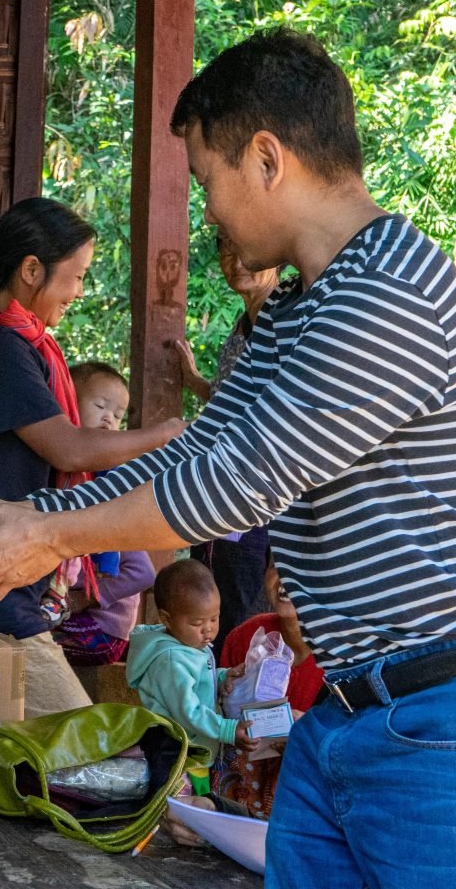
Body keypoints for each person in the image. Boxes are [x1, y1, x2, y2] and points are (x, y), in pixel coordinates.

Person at [0, 30, 456, 887]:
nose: (207, 207)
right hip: (359, 704)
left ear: (265, 158)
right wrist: (37, 516)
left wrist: (47, 540)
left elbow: (232, 487)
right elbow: (207, 450)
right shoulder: (293, 312)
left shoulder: (389, 289)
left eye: (208, 178)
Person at [0, 197, 183, 717]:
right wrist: (164, 435)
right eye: (75, 276)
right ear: (31, 270)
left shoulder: (22, 343)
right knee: (80, 747)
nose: (79, 291)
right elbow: (70, 445)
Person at [172, 235, 282, 652]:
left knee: (242, 619)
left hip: (261, 504)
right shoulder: (245, 324)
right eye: (225, 252)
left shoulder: (284, 324)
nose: (235, 263)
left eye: (246, 252)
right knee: (211, 609)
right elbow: (235, 403)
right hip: (222, 498)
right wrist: (196, 381)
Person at [51, 362, 155, 666]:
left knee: (30, 640)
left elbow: (142, 572)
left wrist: (82, 599)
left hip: (103, 627)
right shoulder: (69, 480)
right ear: (67, 404)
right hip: (66, 610)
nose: (109, 418)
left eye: (118, 415)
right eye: (100, 406)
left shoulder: (113, 489)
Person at [210, 557, 326, 820]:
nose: (285, 574)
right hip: (241, 788)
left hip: (307, 790)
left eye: (302, 563)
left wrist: (309, 727)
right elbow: (213, 718)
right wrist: (223, 690)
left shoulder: (342, 654)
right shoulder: (246, 637)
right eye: (277, 563)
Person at [126, 559, 257, 772]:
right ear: (167, 619)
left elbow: (197, 681)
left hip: (195, 751)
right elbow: (188, 710)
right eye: (197, 623)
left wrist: (222, 677)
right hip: (177, 756)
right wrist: (227, 729)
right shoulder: (169, 661)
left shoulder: (190, 643)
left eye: (214, 619)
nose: (208, 629)